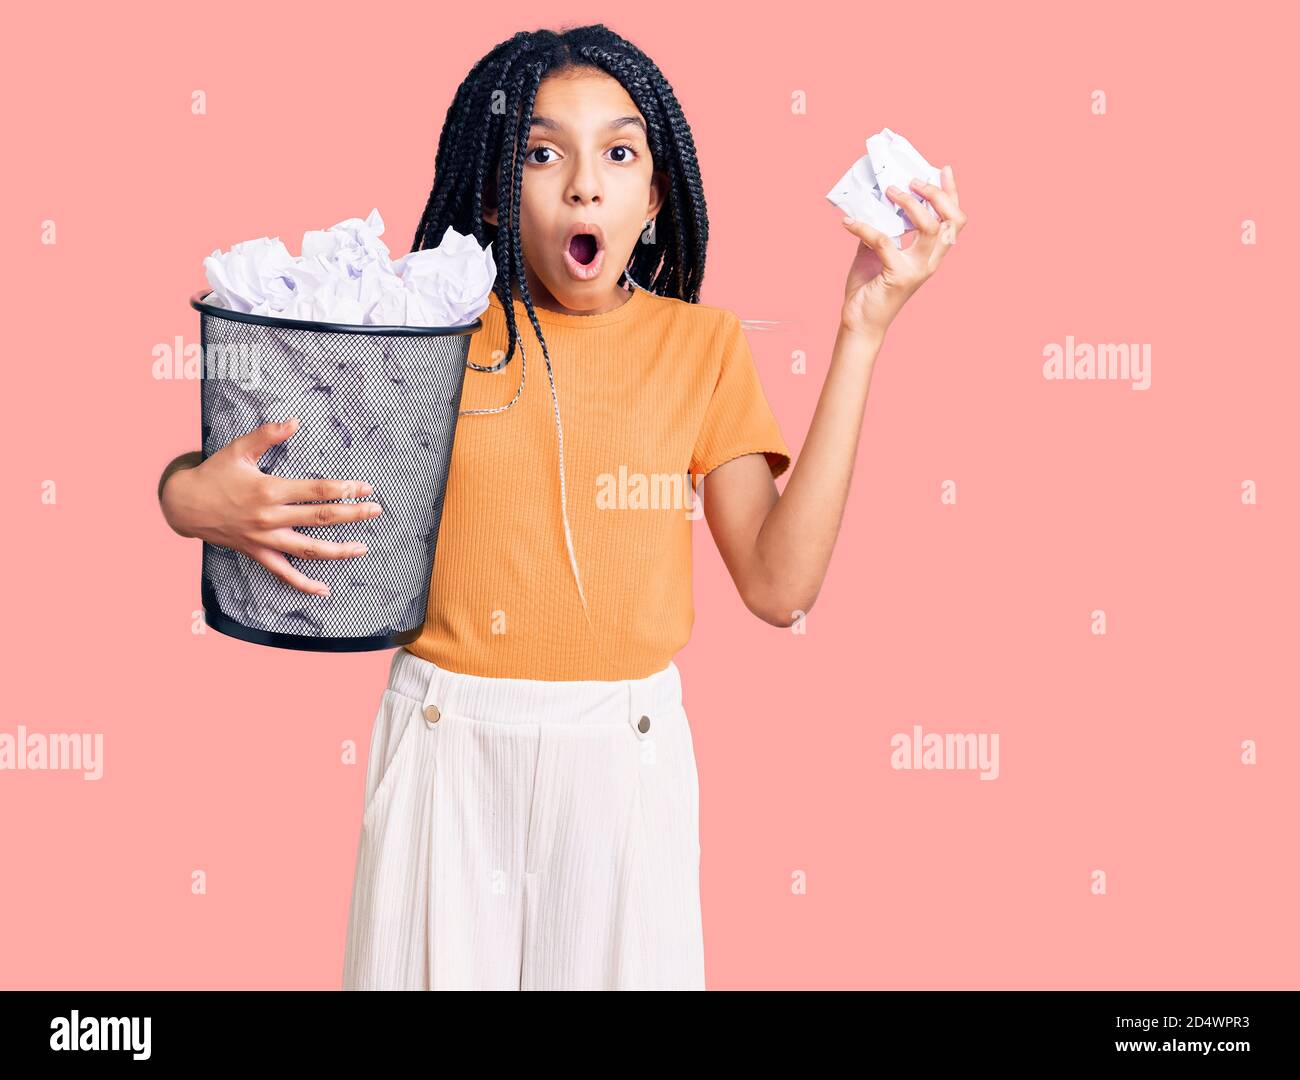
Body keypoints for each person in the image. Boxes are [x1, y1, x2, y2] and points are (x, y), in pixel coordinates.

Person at [157, 23, 966, 990]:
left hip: (625, 769)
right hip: (443, 753)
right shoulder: (428, 335)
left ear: (655, 197)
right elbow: (258, 464)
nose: (584, 185)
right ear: (500, 198)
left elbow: (781, 587)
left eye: (619, 154)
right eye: (543, 154)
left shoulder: (702, 348)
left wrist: (862, 333)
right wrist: (184, 495)